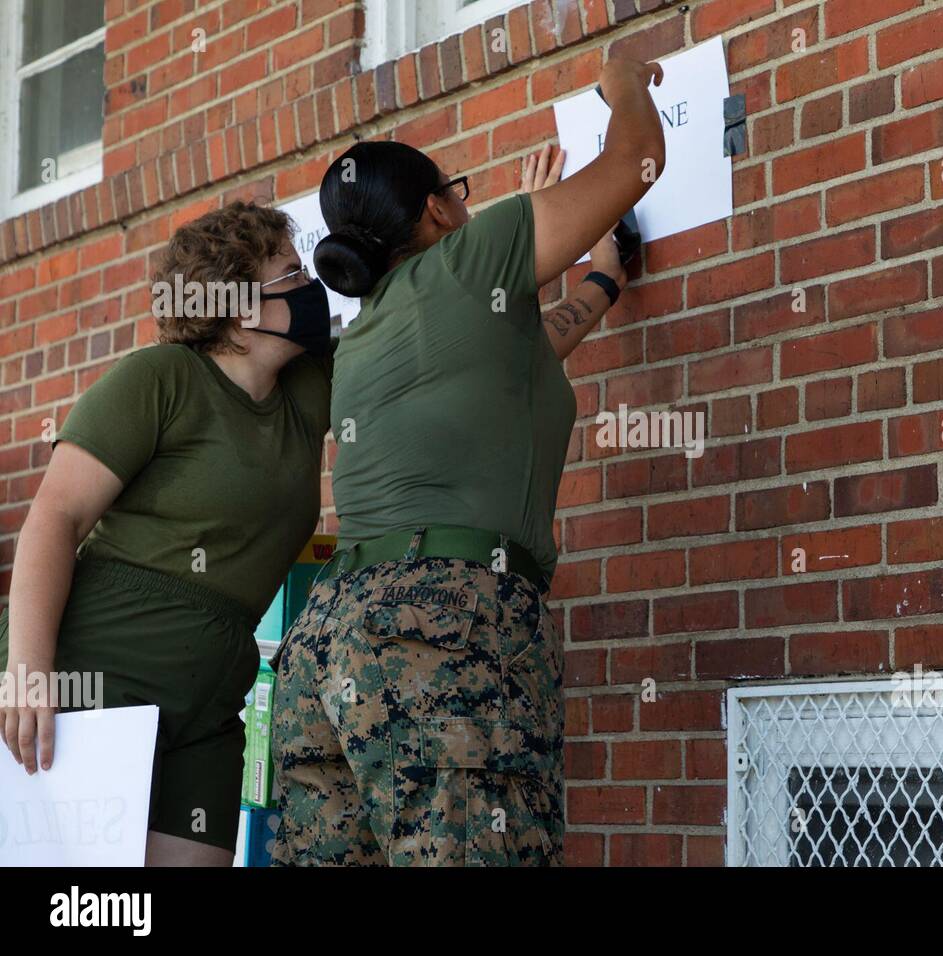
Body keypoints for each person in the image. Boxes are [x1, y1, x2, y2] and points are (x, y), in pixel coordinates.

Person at [270, 56, 666, 866]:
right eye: (461, 190)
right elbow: (635, 165)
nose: (470, 202)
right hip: (441, 624)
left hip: (327, 643)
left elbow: (522, 357)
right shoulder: (472, 256)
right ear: (438, 210)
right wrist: (626, 81)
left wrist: (599, 284)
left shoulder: (374, 330)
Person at [0, 202, 335, 866]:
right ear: (240, 304)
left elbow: (434, 372)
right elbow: (55, 517)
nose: (311, 287)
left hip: (210, 697)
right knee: (80, 907)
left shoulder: (308, 390)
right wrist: (29, 675)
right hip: (95, 676)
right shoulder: (160, 379)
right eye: (292, 273)